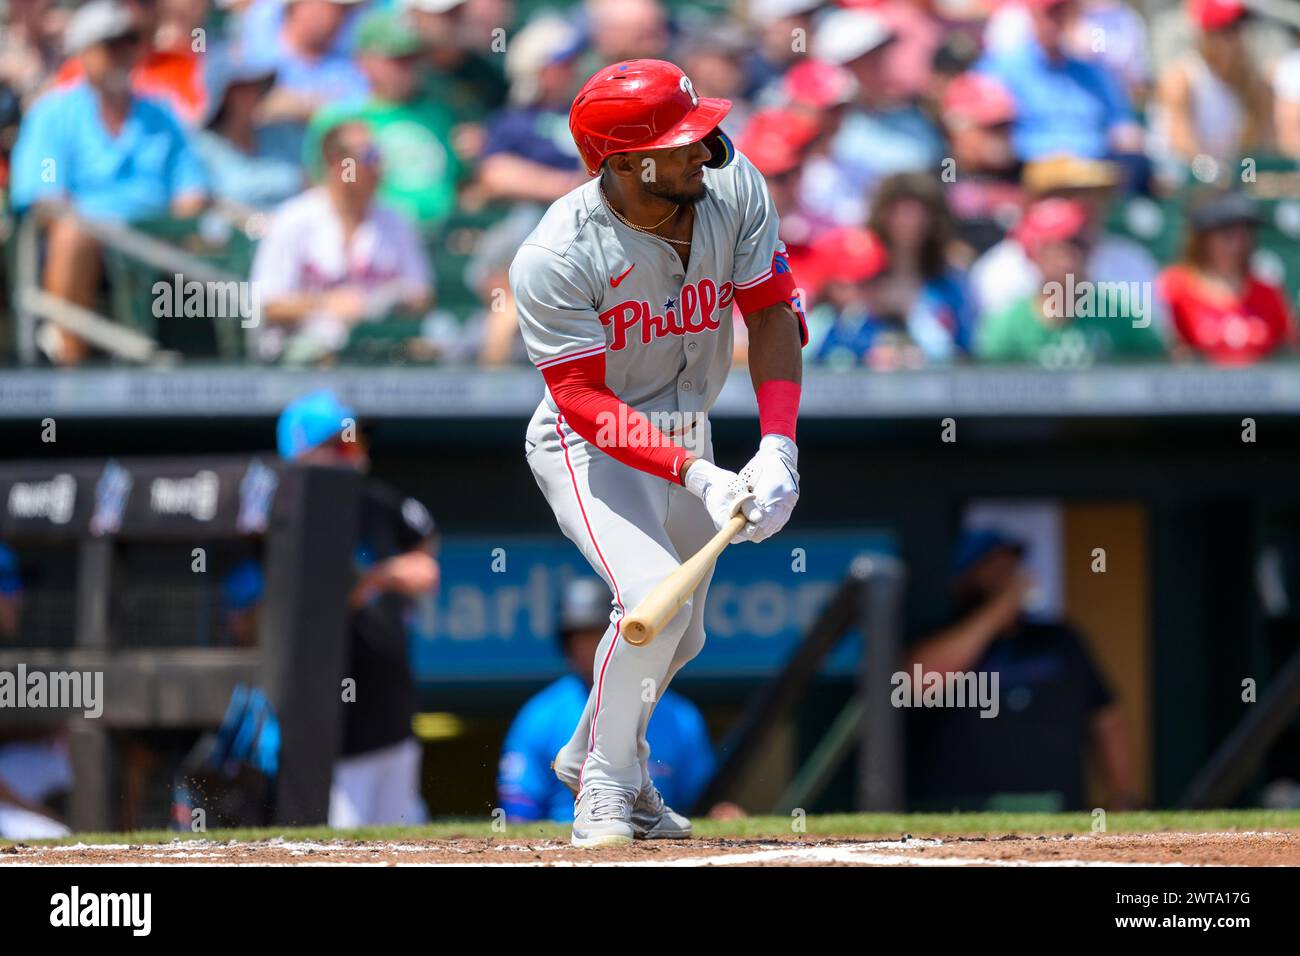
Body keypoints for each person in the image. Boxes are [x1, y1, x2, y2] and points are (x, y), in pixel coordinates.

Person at [509, 59, 805, 846]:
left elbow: (772, 312)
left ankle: (594, 753)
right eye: (679, 142)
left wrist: (779, 443)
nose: (704, 149)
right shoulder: (554, 253)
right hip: (590, 441)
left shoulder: (733, 186)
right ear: (627, 162)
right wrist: (701, 475)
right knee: (650, 599)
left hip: (687, 427)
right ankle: (605, 790)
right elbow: (580, 399)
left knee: (689, 633)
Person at [9, 0, 209, 365]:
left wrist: (172, 230)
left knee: (227, 239)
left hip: (157, 241)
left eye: (130, 42)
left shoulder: (162, 112)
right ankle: (69, 367)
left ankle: (224, 359)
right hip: (89, 241)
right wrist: (104, 232)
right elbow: (41, 195)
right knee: (72, 236)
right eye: (109, 44)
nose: (122, 53)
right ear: (83, 53)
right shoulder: (52, 113)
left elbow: (190, 191)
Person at [276, 389, 440, 828]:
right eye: (340, 443)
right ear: (303, 454)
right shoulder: (279, 516)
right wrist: (369, 580)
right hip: (324, 734)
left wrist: (378, 576)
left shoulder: (377, 503)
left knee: (406, 846)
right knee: (337, 846)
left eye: (357, 441)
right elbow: (254, 618)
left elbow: (425, 554)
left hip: (390, 716)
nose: (355, 451)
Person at [905, 529, 1139, 812]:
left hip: (1057, 813)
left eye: (1011, 565)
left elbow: (1106, 716)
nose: (1007, 575)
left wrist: (1122, 792)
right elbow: (917, 684)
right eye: (992, 567)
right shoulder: (936, 637)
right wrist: (1000, 607)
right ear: (964, 577)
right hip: (960, 816)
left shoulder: (1059, 639)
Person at [497, 577, 718, 822]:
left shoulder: (679, 716)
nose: (591, 648)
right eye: (580, 638)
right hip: (568, 841)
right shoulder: (542, 714)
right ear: (567, 644)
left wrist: (720, 811)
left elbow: (703, 800)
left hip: (656, 833)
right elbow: (518, 812)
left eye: (599, 636)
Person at [250, 117, 433, 363]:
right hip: (301, 356)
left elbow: (422, 295)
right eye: (367, 156)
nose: (377, 165)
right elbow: (268, 305)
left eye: (378, 156)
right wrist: (325, 304)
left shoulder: (397, 220)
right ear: (336, 163)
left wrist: (384, 303)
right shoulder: (293, 219)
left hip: (379, 354)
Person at [976, 197, 1165, 364]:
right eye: (1065, 244)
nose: (1075, 255)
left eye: (1082, 243)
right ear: (1036, 253)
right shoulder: (1010, 325)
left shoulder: (1121, 314)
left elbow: (1157, 367)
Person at [976, 0, 1143, 165]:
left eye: (1062, 11)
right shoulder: (1001, 68)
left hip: (1095, 169)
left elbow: (1123, 127)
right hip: (1027, 169)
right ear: (1033, 14)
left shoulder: (1093, 73)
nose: (1055, 20)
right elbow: (981, 130)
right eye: (1050, 13)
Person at [349, 9, 462, 230]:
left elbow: (457, 181)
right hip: (376, 236)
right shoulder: (344, 119)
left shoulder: (439, 114)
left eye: (413, 58)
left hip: (441, 233)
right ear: (363, 61)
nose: (408, 69)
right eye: (397, 59)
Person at [1158, 191, 1295, 365]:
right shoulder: (1175, 287)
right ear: (1203, 238)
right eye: (1228, 234)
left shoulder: (1267, 292)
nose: (1238, 244)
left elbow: (1288, 351)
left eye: (1245, 234)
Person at [472, 16, 585, 205]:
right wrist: (574, 186)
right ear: (537, 70)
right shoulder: (512, 121)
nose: (573, 70)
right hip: (541, 217)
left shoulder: (584, 114)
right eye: (564, 65)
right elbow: (495, 174)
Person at [1151, 0, 1273, 175]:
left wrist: (1248, 177)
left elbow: (1258, 148)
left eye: (1239, 28)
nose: (1237, 39)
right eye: (1228, 30)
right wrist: (1222, 176)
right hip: (1175, 184)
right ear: (1207, 36)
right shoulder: (1182, 79)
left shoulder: (1252, 83)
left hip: (1223, 184)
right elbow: (1182, 148)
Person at [193, 49, 303, 210]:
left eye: (257, 85)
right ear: (225, 96)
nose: (254, 93)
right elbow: (206, 204)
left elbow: (308, 184)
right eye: (244, 88)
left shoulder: (281, 135)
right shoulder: (203, 147)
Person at [939, 71, 1023, 257]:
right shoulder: (947, 170)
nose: (1003, 136)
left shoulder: (1025, 173)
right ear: (957, 130)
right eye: (991, 127)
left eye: (1006, 125)